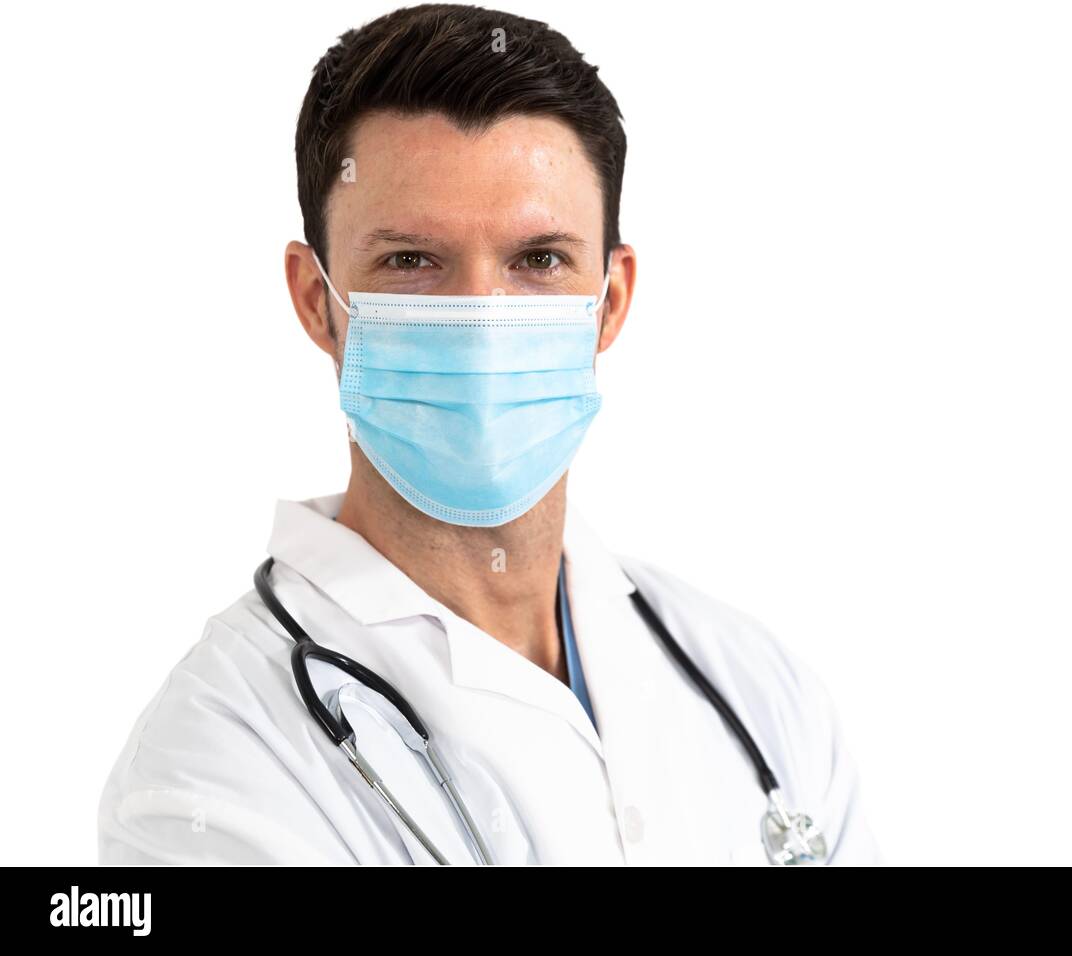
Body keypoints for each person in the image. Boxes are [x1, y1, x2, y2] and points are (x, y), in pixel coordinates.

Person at [97, 3, 883, 865]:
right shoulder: (212, 771)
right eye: (410, 262)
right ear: (318, 301)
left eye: (538, 260)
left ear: (609, 302)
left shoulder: (758, 692)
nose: (480, 317)